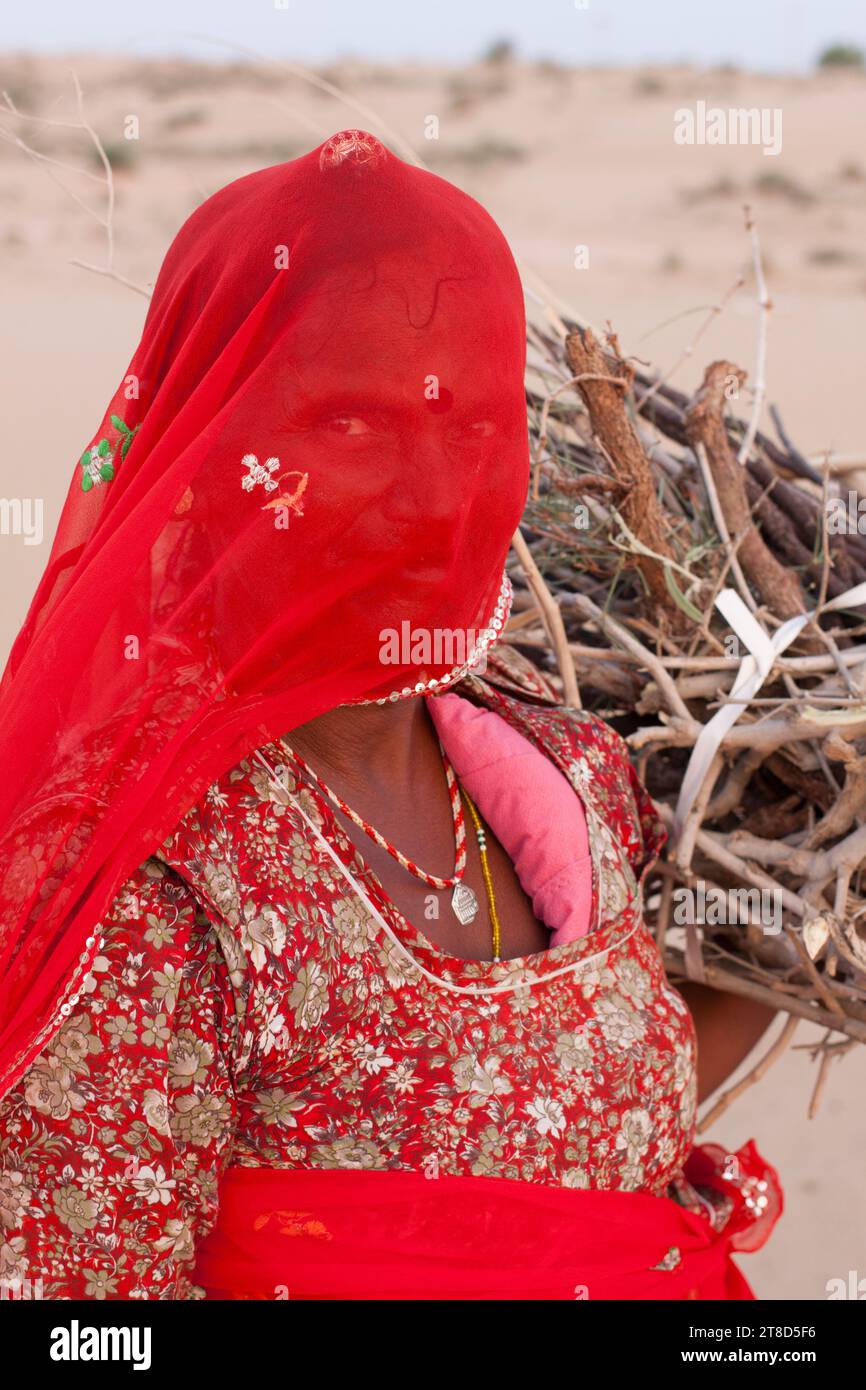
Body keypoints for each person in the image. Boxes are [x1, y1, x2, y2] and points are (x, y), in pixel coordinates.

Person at [0, 129, 780, 1301]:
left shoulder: (572, 772)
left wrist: (799, 929)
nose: (430, 496)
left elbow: (580, 1126)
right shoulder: (151, 890)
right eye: (350, 424)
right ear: (216, 448)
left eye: (467, 425)